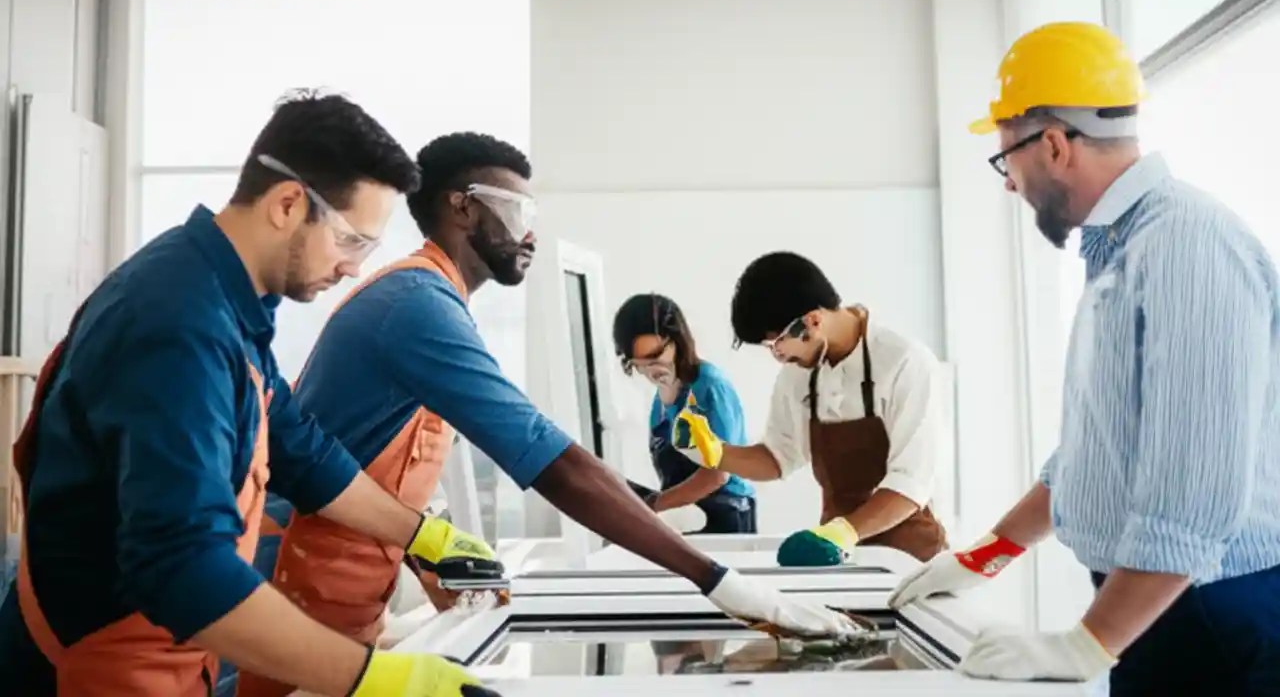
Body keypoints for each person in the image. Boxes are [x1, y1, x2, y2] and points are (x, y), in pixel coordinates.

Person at [235, 132, 859, 696]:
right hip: (292, 592)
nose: (529, 233)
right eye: (517, 211)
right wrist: (721, 583)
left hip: (337, 591)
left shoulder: (429, 298)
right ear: (463, 207)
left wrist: (432, 544)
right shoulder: (416, 304)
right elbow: (550, 459)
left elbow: (376, 449)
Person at [0, 91, 507, 697]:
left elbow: (298, 448)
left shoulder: (222, 293)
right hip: (91, 673)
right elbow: (181, 569)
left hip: (162, 659)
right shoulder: (178, 326)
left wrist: (422, 534)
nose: (353, 268)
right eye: (351, 241)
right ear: (289, 204)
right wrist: (374, 678)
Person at [888, 22, 1280, 695]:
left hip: (1215, 611)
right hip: (1158, 605)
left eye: (1004, 156)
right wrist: (985, 555)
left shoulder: (1183, 245)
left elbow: (1192, 493)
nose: (1008, 183)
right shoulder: (1118, 254)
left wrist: (1088, 644)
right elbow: (1091, 456)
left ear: (1054, 145)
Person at [673, 251, 948, 566]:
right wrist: (713, 451)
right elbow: (778, 458)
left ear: (812, 321)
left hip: (910, 560)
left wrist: (842, 533)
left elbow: (911, 480)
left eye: (775, 345)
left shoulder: (904, 362)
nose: (777, 357)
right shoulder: (799, 375)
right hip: (841, 555)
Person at [612, 293, 757, 534]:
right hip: (687, 511)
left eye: (655, 357)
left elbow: (717, 475)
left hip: (726, 513)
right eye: (639, 365)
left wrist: (653, 505)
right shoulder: (662, 395)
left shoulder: (710, 387)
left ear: (677, 341)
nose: (651, 371)